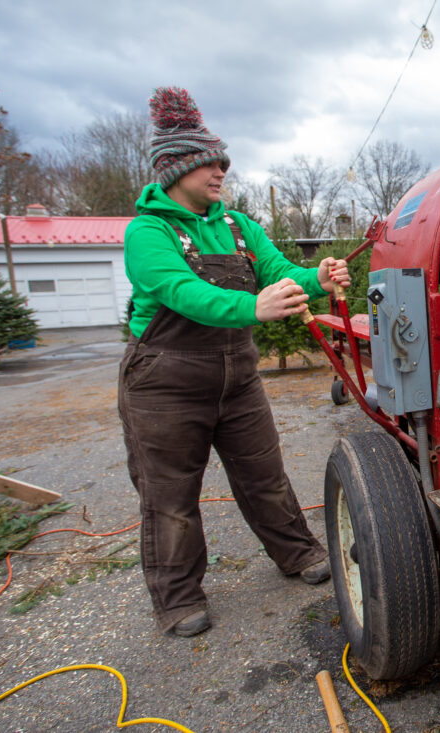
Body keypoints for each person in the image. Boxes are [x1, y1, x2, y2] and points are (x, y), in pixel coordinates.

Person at [118, 87, 349, 637]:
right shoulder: (146, 232)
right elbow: (181, 292)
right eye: (208, 165)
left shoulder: (239, 227)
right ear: (175, 170)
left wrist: (316, 277)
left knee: (264, 474)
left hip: (237, 378)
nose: (220, 172)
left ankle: (297, 554)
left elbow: (277, 271)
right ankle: (176, 599)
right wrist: (253, 307)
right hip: (165, 384)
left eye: (222, 163)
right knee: (170, 496)